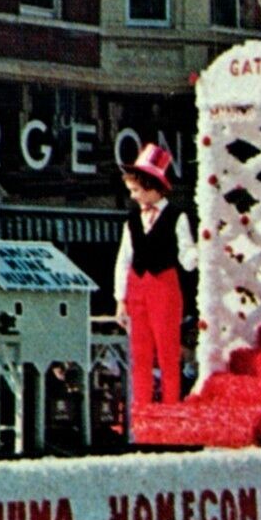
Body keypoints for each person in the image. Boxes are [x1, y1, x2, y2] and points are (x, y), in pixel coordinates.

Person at [112, 144, 197, 410]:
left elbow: (187, 258)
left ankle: (171, 408)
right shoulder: (132, 220)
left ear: (152, 186)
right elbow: (124, 259)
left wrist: (204, 251)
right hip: (137, 288)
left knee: (167, 352)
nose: (134, 197)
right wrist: (120, 299)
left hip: (164, 286)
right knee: (140, 353)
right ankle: (142, 410)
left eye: (136, 190)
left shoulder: (176, 216)